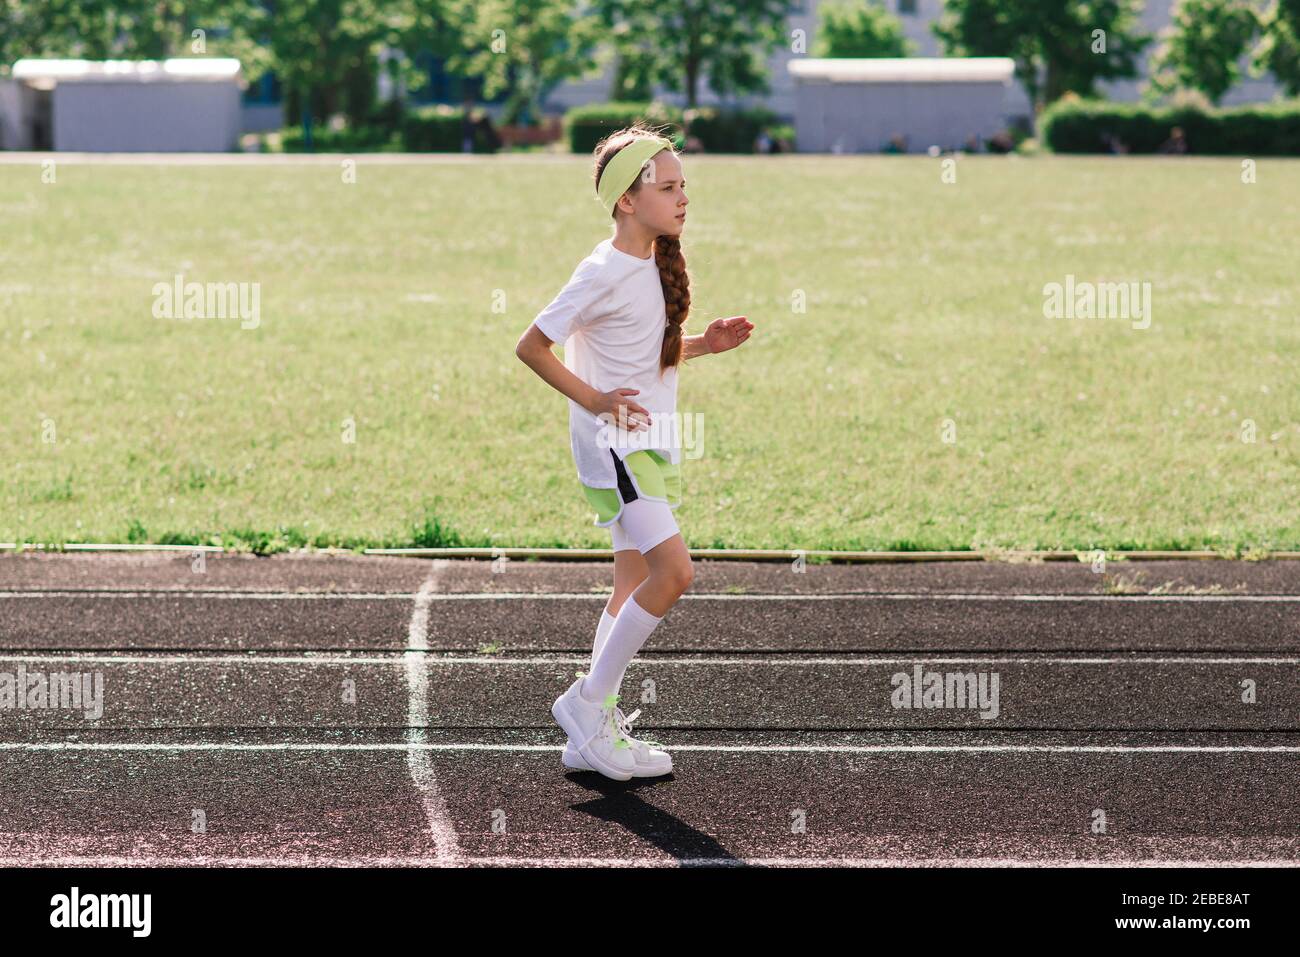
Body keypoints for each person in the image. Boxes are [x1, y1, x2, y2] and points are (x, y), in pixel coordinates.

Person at [514, 123, 754, 780]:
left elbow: (646, 354)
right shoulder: (602, 269)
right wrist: (595, 401)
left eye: (684, 186)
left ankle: (590, 736)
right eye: (669, 186)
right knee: (673, 572)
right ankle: (588, 703)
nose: (683, 198)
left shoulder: (650, 264)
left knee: (628, 583)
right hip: (616, 446)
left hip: (643, 445)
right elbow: (531, 346)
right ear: (628, 199)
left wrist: (704, 343)